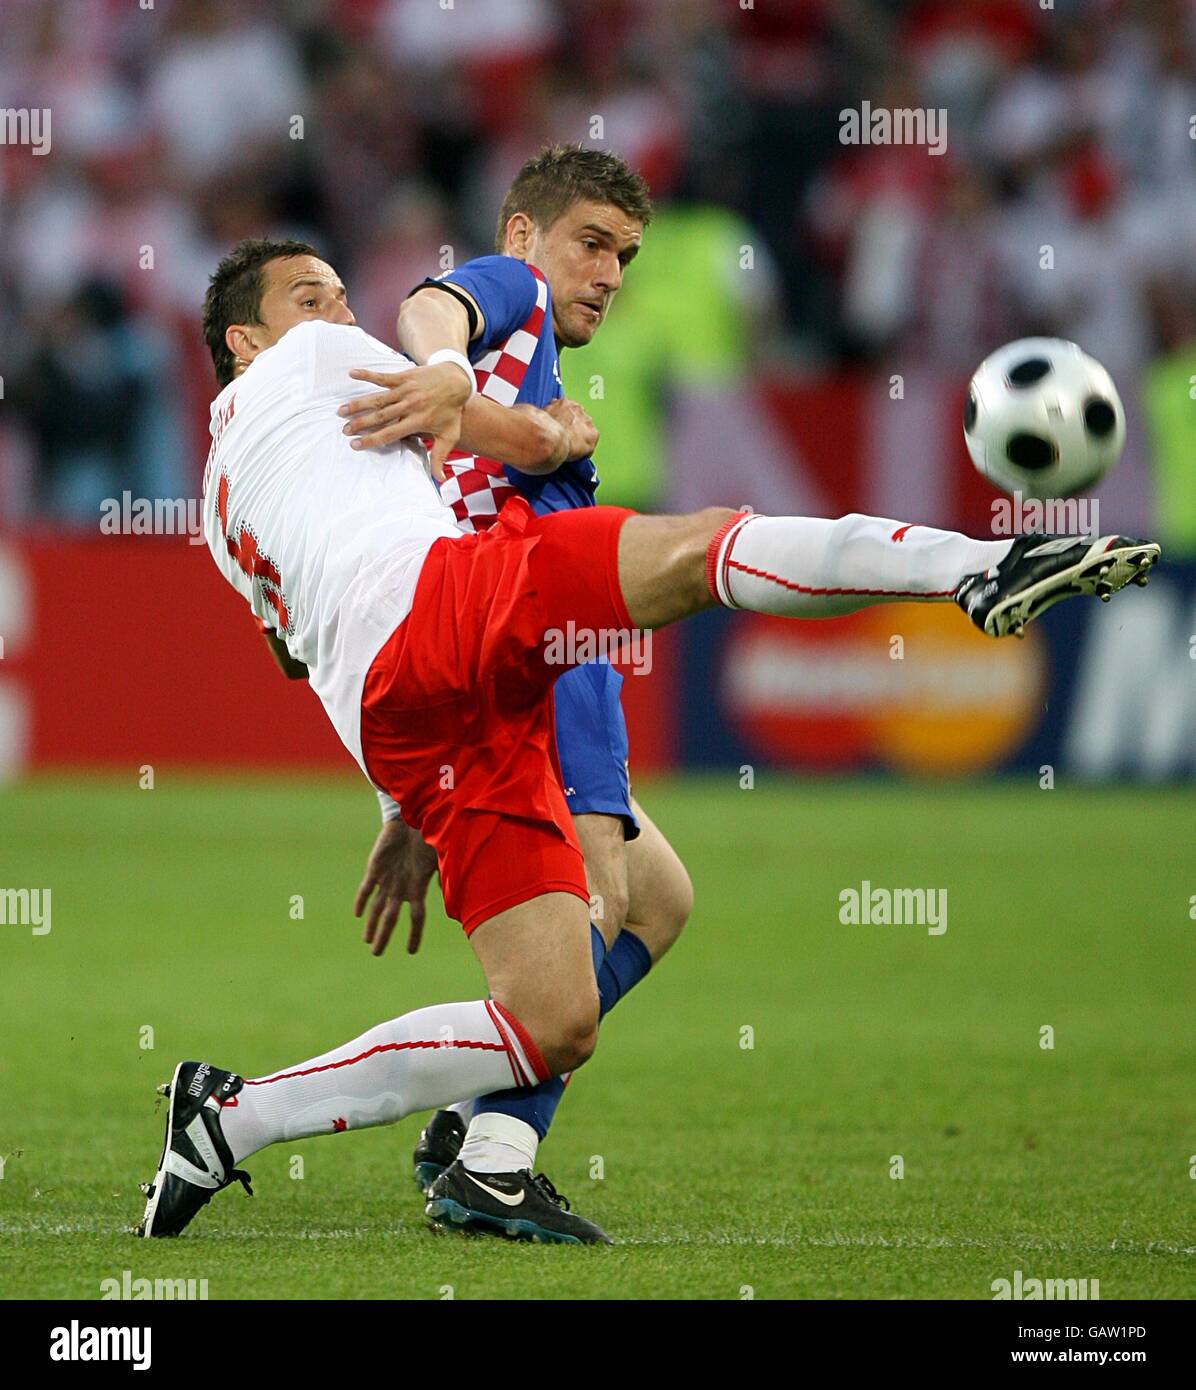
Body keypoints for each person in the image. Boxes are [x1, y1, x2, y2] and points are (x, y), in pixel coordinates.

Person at [137, 237, 1158, 1245]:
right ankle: (974, 566)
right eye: (311, 296)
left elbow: (297, 652)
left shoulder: (221, 512)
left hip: (402, 719)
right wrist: (553, 428)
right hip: (444, 604)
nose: (338, 309)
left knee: (550, 1019)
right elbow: (502, 422)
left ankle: (231, 1117)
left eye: (336, 292)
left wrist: (401, 802)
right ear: (244, 338)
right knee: (699, 547)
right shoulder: (314, 359)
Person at [337, 146, 692, 1222]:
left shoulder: (519, 374)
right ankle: (493, 1152)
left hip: (509, 651)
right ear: (525, 232)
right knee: (603, 895)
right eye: (592, 243)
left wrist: (408, 803)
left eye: (625, 256)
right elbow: (435, 305)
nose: (609, 274)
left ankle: (472, 1115)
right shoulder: (511, 289)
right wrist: (443, 363)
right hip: (542, 635)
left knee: (661, 901)